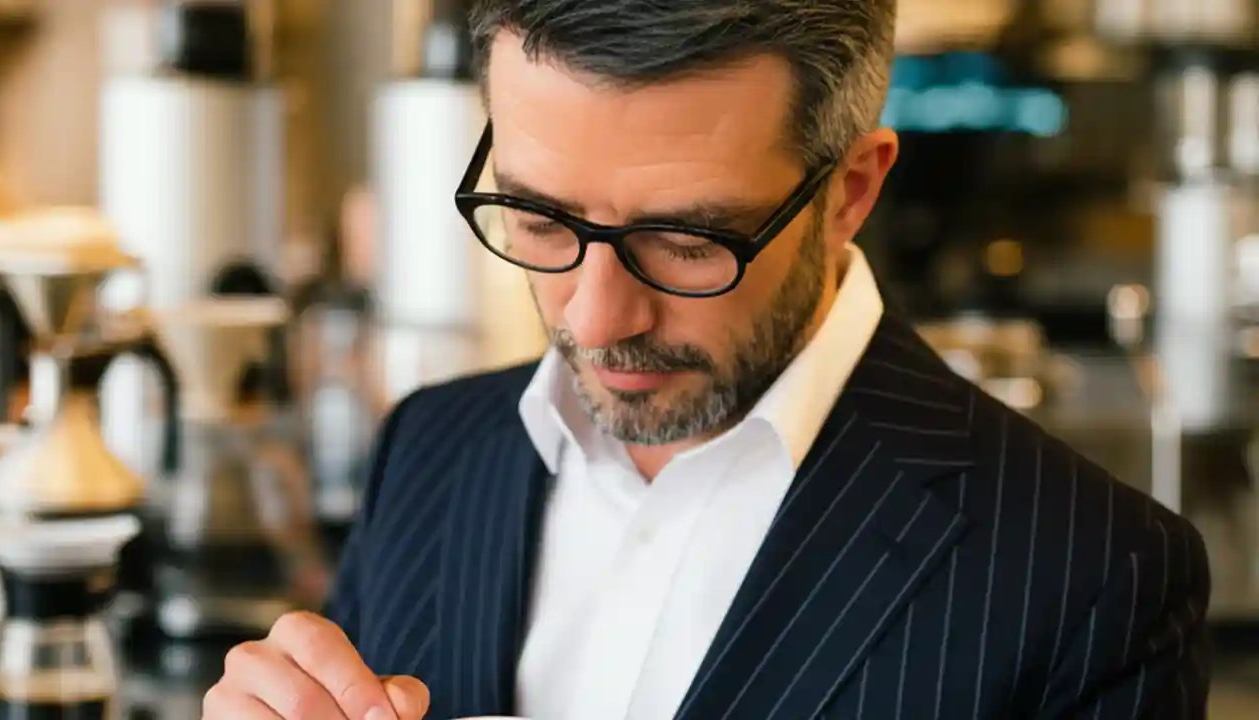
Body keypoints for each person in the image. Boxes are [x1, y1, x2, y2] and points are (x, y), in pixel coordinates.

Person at [202, 1, 1211, 718]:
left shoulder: (1091, 575)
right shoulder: (428, 446)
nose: (598, 317)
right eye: (538, 217)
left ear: (849, 192)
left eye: (687, 240)